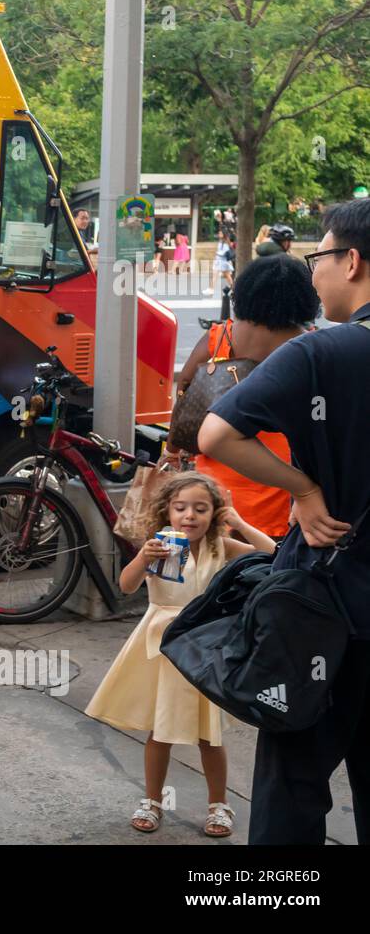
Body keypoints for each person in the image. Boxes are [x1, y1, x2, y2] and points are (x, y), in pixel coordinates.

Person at [199, 198, 370, 844]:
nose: (316, 274)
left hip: (318, 611)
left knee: (292, 788)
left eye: (321, 257)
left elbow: (217, 433)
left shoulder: (323, 355)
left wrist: (301, 486)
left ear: (352, 261)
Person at [86, 472, 276, 837]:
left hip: (203, 644)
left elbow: (271, 555)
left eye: (201, 509)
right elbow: (125, 587)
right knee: (161, 730)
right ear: (167, 511)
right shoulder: (159, 545)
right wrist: (142, 557)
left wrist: (238, 523)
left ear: (213, 514)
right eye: (181, 507)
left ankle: (218, 805)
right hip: (163, 644)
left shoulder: (221, 546)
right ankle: (153, 800)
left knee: (210, 734)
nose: (190, 516)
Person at [175, 256, 319, 540]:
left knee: (216, 576)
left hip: (215, 492)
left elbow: (186, 384)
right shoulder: (309, 346)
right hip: (280, 485)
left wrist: (176, 446)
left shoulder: (219, 337)